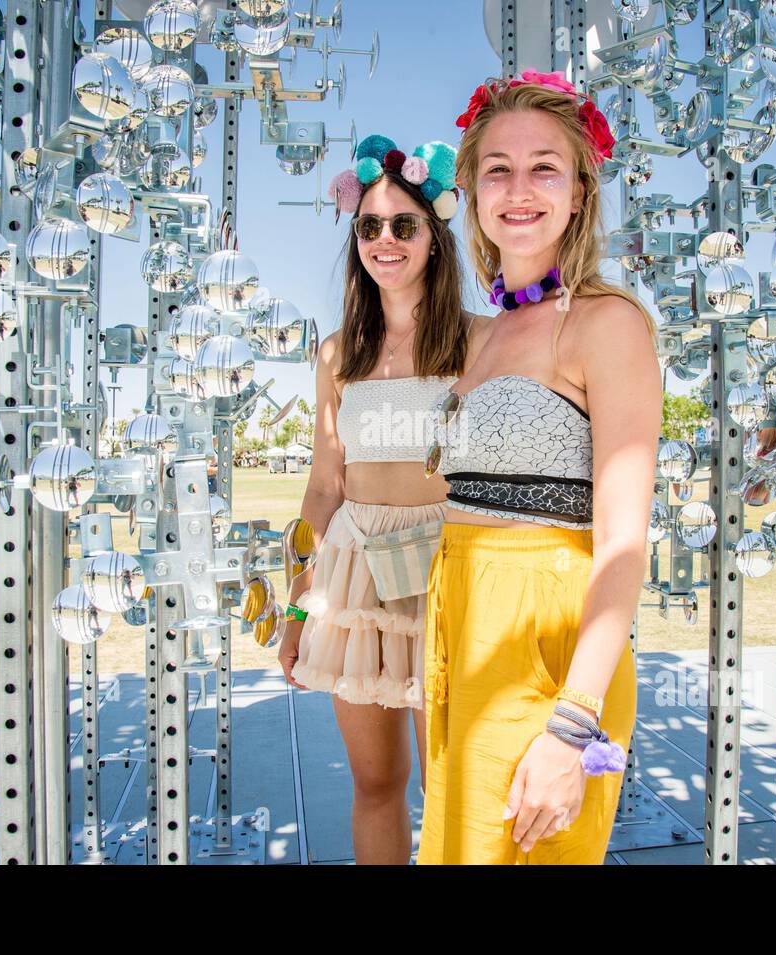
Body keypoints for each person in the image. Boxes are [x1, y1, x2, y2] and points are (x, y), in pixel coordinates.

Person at [417, 70, 662, 865]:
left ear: (580, 191)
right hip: (459, 630)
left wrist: (573, 726)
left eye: (544, 167)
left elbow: (624, 545)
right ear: (474, 193)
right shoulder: (480, 336)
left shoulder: (608, 324)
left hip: (547, 646)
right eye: (498, 169)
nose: (519, 189)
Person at [277, 134, 492, 864]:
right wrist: (297, 606)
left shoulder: (481, 341)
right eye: (370, 226)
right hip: (357, 572)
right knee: (376, 782)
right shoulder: (338, 352)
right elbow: (323, 486)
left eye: (404, 224)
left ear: (435, 236)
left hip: (450, 568)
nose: (385, 240)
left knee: (452, 782)